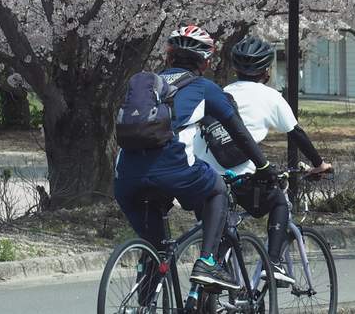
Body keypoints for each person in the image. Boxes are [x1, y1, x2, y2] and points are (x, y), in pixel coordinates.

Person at [113, 24, 274, 292]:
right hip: (172, 168)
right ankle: (207, 262)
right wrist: (264, 166)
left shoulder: (149, 87)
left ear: (168, 57)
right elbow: (239, 132)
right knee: (217, 189)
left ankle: (145, 297)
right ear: (205, 62)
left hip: (125, 176)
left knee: (157, 247)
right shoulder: (204, 88)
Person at [193, 36, 333, 286]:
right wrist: (319, 164)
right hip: (243, 176)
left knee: (221, 230)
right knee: (278, 201)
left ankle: (217, 278)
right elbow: (296, 134)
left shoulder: (223, 92)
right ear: (266, 71)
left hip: (205, 175)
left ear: (235, 69)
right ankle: (274, 263)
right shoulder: (271, 97)